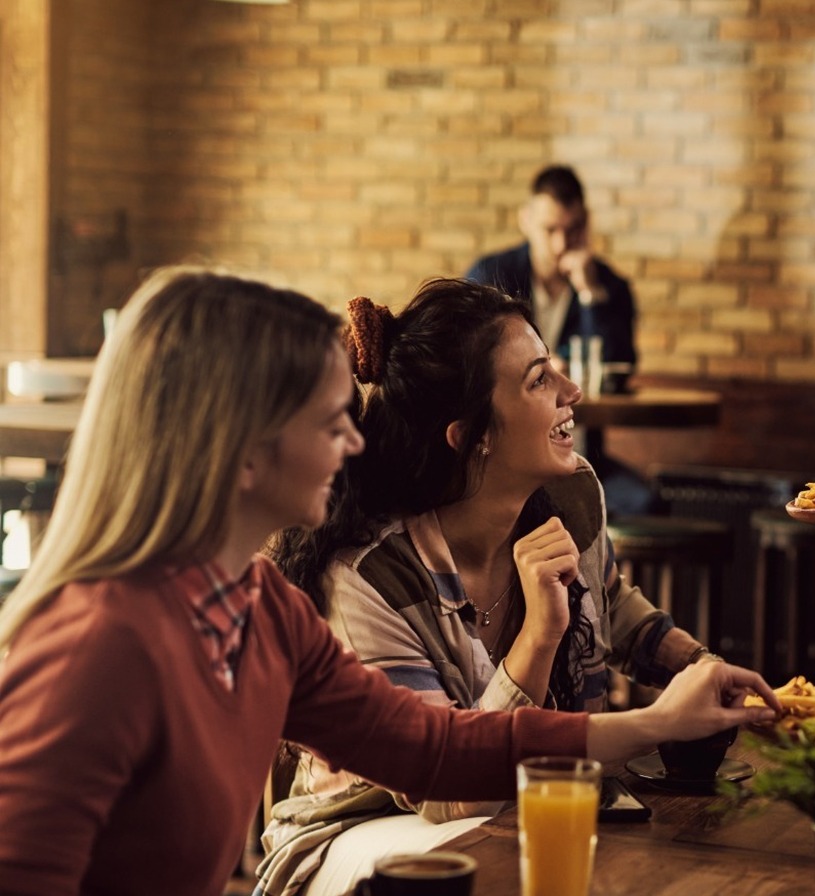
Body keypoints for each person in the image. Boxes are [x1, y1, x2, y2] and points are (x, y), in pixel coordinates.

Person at [0, 267, 777, 896]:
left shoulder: (259, 610)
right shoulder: (98, 645)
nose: (352, 439)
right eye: (327, 418)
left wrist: (658, 723)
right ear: (239, 451)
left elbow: (435, 747)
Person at [257, 279, 715, 895]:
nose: (572, 391)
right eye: (538, 380)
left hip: (520, 804)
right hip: (366, 834)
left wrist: (699, 665)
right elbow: (448, 788)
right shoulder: (371, 579)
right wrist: (541, 635)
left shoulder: (570, 498)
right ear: (473, 435)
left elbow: (614, 608)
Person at [465, 163, 653, 515]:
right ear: (526, 221)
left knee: (643, 503)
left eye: (574, 228)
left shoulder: (610, 287)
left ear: (587, 224)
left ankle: (603, 572)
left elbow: (617, 371)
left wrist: (588, 294)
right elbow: (470, 368)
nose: (561, 243)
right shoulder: (490, 276)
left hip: (580, 450)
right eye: (550, 229)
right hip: (505, 456)